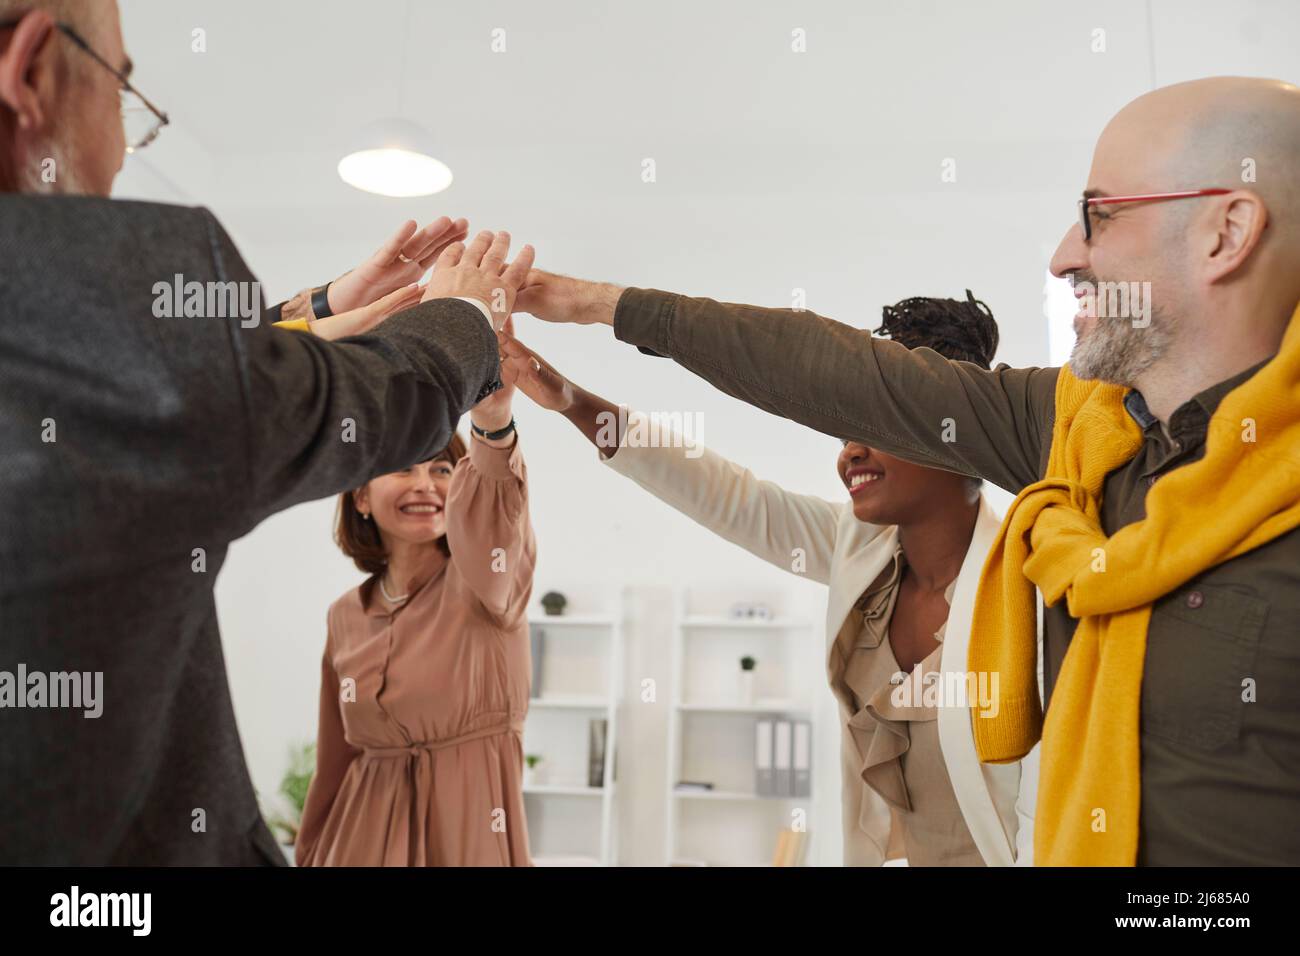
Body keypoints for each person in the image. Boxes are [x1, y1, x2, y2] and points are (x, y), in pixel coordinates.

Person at [513, 77, 1300, 866]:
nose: (1065, 256)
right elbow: (784, 425)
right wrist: (589, 325)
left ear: (1224, 232)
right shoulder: (1075, 436)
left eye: (1100, 215)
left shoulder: (1030, 553)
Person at [0, 0, 534, 864]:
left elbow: (184, 381)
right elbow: (202, 385)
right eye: (122, 93)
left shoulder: (482, 587)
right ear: (30, 71)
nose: (123, 142)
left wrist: (318, 310)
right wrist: (465, 319)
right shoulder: (343, 615)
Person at [503, 294, 1039, 865]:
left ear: (952, 429)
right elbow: (726, 495)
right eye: (842, 431)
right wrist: (570, 401)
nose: (850, 451)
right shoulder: (858, 550)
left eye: (874, 424)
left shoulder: (1029, 580)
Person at [296, 318, 537, 867]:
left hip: (469, 838)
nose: (426, 485)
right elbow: (333, 761)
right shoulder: (344, 616)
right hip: (355, 842)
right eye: (403, 470)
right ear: (361, 495)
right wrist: (307, 855)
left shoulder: (490, 585)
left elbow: (500, 504)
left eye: (443, 469)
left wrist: (494, 426)